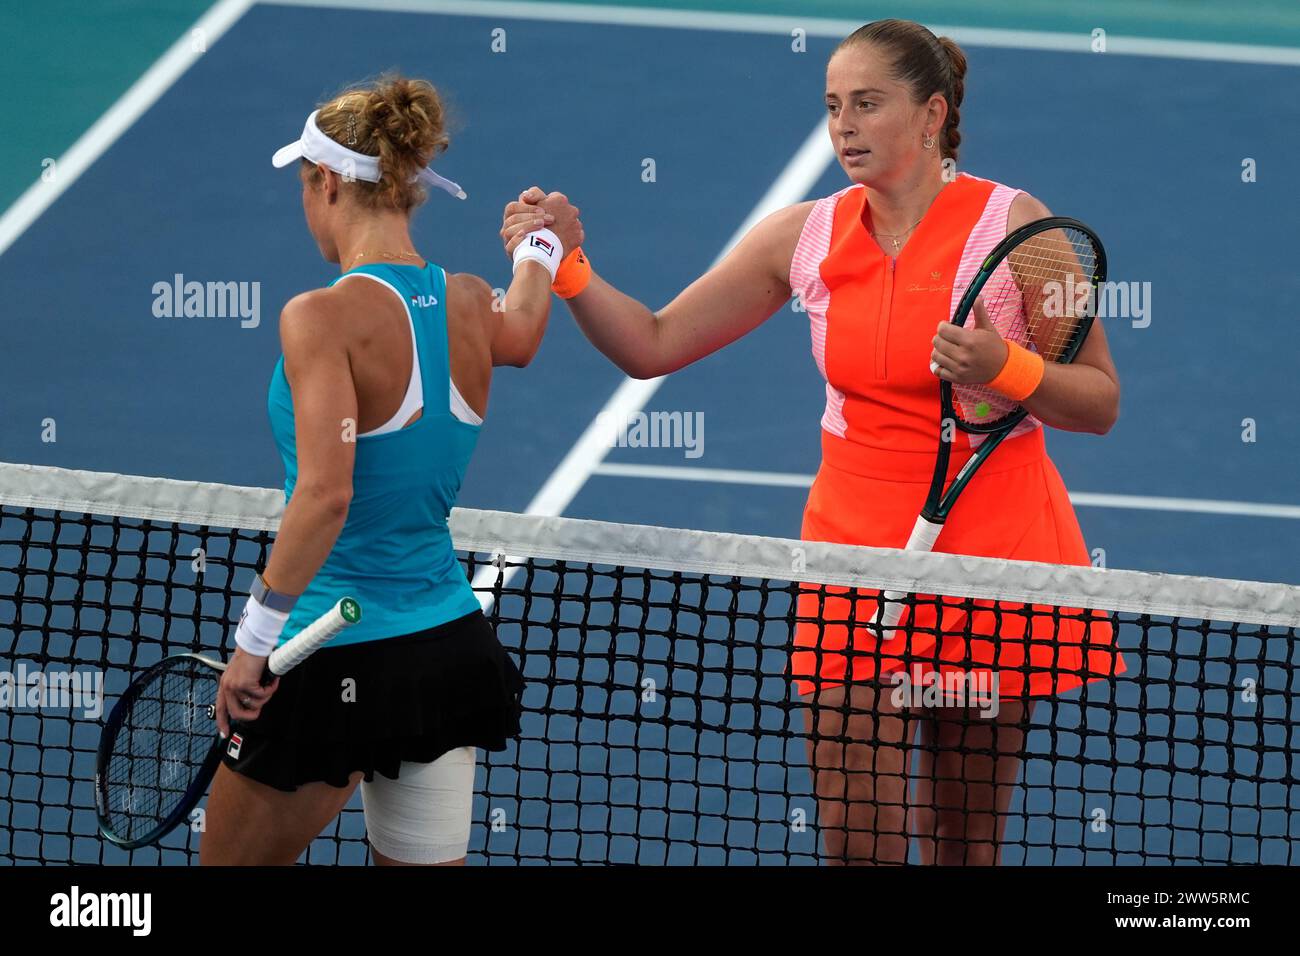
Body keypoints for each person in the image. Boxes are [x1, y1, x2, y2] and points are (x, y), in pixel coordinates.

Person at [499, 19, 1122, 865]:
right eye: (834, 107)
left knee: (963, 842)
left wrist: (1006, 366)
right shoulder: (807, 236)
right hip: (850, 566)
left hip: (988, 564)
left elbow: (1097, 402)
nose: (845, 127)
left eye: (868, 105)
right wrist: (568, 267)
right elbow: (651, 342)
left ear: (932, 113)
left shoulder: (1024, 232)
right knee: (855, 842)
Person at [199, 75, 582, 866]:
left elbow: (325, 495)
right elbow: (526, 329)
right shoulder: (475, 304)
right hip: (444, 656)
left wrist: (253, 643)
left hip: (327, 656)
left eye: (305, 187)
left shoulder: (320, 317)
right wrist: (542, 245)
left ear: (328, 182)